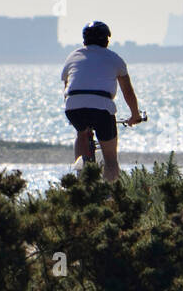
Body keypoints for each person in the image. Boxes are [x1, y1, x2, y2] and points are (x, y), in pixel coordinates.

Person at [60, 21, 143, 183]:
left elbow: (66, 86)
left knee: (82, 133)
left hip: (73, 106)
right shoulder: (114, 58)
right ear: (106, 40)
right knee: (110, 159)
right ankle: (110, 192)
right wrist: (135, 115)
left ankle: (81, 179)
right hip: (102, 107)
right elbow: (128, 92)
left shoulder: (72, 56)